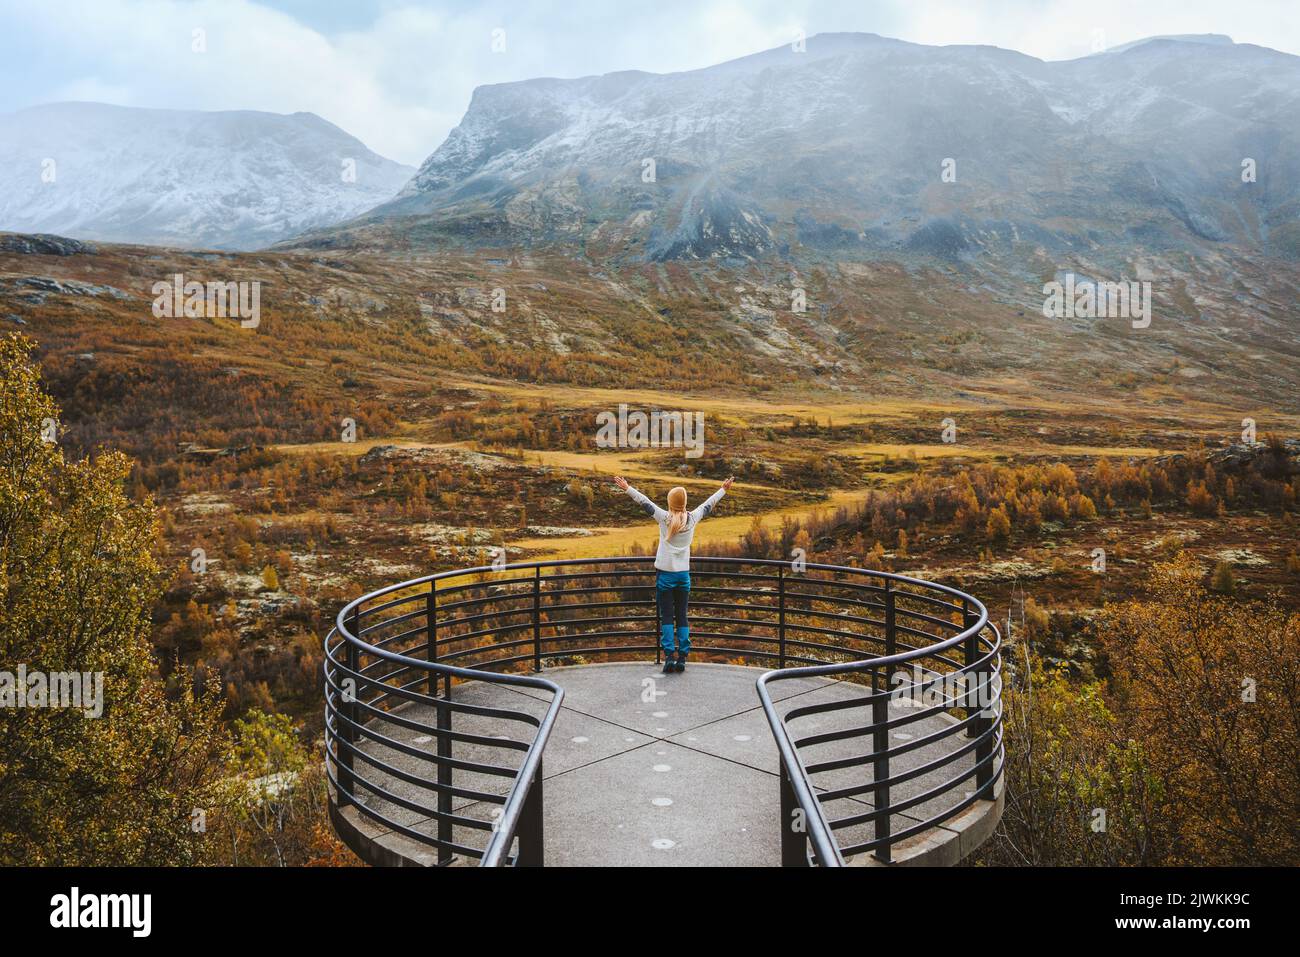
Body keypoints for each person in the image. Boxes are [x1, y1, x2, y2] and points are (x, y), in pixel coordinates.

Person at [612, 475, 735, 673]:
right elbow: (708, 505)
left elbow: (645, 502)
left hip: (665, 576)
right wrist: (723, 489)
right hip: (683, 577)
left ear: (670, 503)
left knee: (667, 616)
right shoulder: (693, 518)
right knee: (682, 616)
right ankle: (683, 658)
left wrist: (627, 488)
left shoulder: (664, 518)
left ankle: (669, 656)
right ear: (684, 503)